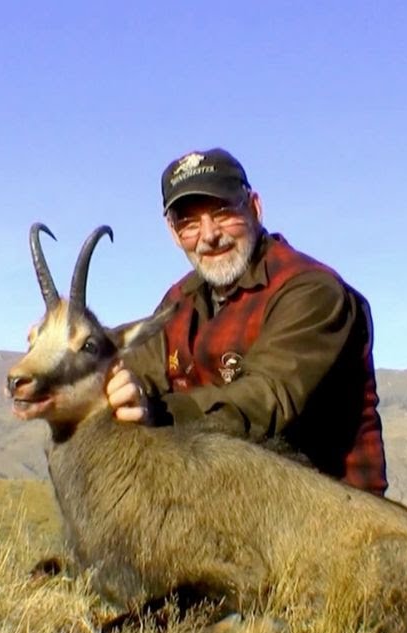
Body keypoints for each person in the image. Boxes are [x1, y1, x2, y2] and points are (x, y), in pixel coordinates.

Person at [107, 148, 388, 495]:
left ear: (255, 208)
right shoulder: (180, 299)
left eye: (223, 212)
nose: (209, 235)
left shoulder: (310, 290)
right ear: (173, 232)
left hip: (327, 509)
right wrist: (69, 351)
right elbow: (136, 364)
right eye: (189, 223)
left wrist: (152, 410)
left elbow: (267, 399)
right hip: (225, 502)